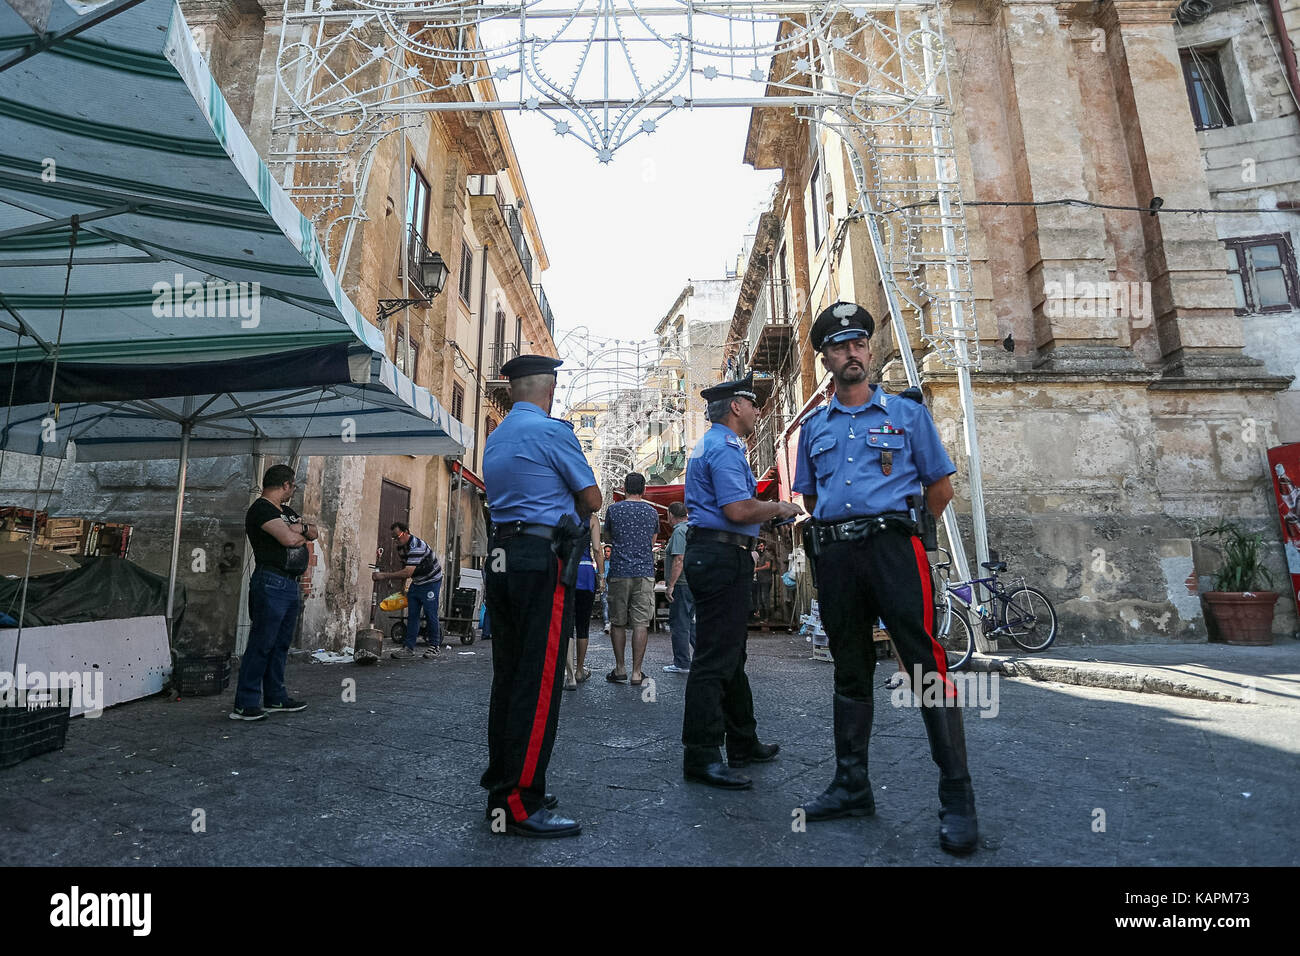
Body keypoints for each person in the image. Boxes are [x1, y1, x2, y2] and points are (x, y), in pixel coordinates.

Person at [793, 301, 977, 855]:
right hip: (838, 558)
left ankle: (957, 797)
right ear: (825, 357)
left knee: (924, 663)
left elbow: (939, 488)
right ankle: (852, 786)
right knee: (849, 669)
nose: (852, 354)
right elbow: (809, 496)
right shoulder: (813, 431)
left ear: (867, 353)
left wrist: (910, 537)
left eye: (859, 345)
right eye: (840, 346)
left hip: (895, 550)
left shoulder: (906, 414)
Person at [481, 353, 602, 838]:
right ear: (549, 392)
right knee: (540, 679)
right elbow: (592, 498)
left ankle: (502, 784)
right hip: (538, 556)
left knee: (509, 675)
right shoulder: (554, 433)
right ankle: (521, 801)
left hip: (501, 555)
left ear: (514, 391)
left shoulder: (495, 436)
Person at [681, 372, 802, 788]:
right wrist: (779, 508)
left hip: (719, 553)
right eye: (751, 403)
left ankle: (742, 741)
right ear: (735, 407)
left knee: (731, 655)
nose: (756, 409)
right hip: (718, 556)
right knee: (716, 658)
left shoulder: (715, 444)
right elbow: (736, 509)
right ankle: (701, 755)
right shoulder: (726, 447)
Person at [231, 464, 317, 721]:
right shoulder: (261, 509)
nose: (292, 491)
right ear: (286, 485)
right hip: (271, 581)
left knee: (280, 644)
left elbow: (312, 532)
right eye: (292, 486)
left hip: (291, 583)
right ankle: (245, 703)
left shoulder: (287, 512)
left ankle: (275, 697)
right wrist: (298, 532)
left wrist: (299, 529)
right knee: (262, 643)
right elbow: (288, 541)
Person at [603, 472, 659, 686]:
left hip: (619, 571)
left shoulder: (613, 510)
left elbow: (608, 538)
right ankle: (637, 672)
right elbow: (652, 540)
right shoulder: (652, 512)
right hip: (644, 572)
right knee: (641, 623)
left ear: (624, 488)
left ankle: (620, 669)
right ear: (644, 490)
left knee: (617, 622)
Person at [374, 522, 443, 660]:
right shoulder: (401, 547)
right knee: (412, 614)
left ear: (406, 532)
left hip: (431, 581)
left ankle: (434, 646)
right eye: (393, 538)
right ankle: (408, 648)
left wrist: (383, 576)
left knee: (430, 613)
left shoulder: (416, 546)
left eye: (397, 536)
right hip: (417, 581)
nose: (396, 540)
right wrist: (403, 587)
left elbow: (407, 572)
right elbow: (406, 567)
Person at [663, 501, 695, 673]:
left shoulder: (679, 532)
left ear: (671, 515)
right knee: (691, 623)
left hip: (682, 584)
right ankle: (702, 657)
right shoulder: (691, 529)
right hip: (691, 582)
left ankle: (682, 662)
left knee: (680, 624)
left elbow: (679, 559)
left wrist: (671, 585)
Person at [753, 540, 773, 621]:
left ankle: (767, 617)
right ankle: (762, 617)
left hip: (766, 580)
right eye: (758, 546)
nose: (760, 548)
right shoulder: (759, 556)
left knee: (765, 599)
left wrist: (757, 569)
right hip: (760, 579)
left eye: (761, 546)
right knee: (759, 599)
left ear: (764, 546)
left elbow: (768, 566)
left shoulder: (767, 555)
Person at [600, 544, 612, 632]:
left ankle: (612, 622)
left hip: (614, 587)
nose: (606, 553)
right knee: (605, 606)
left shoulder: (615, 562)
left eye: (608, 551)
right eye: (605, 551)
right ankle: (607, 623)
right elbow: (598, 575)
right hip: (605, 588)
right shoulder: (602, 563)